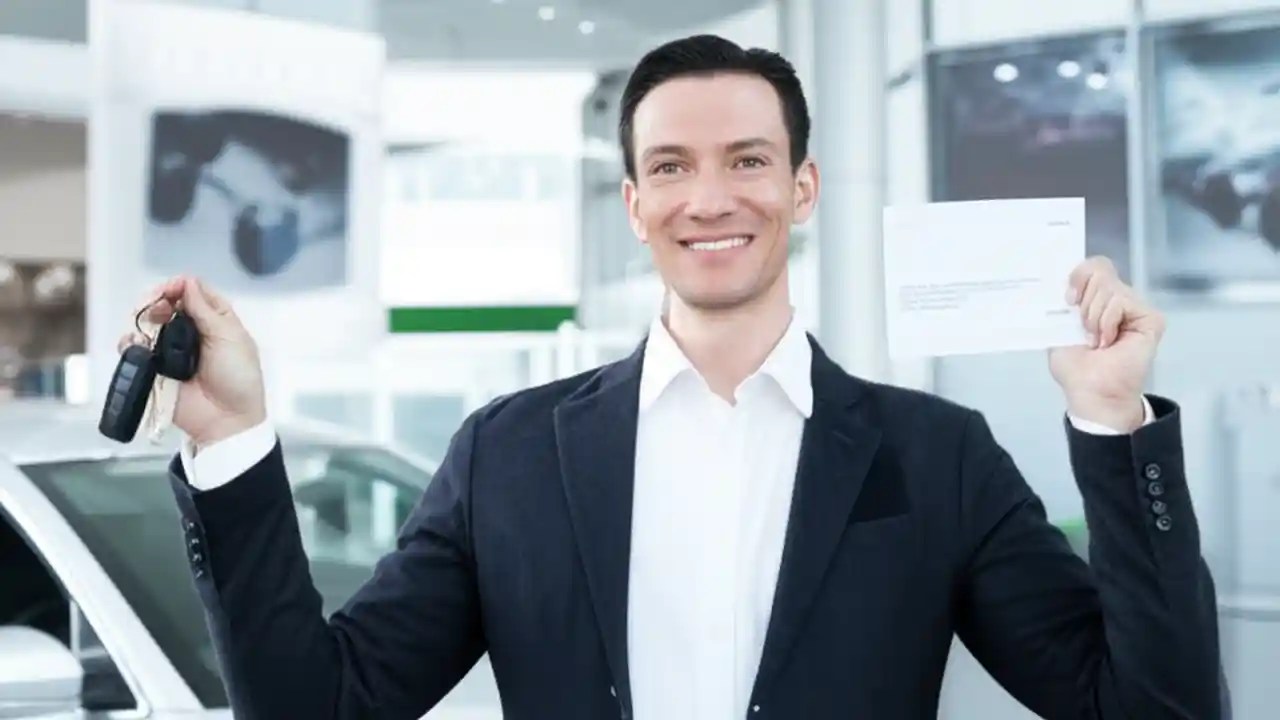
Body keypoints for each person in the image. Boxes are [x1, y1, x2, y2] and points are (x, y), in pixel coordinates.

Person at [124, 34, 1222, 720]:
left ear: (799, 190)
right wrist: (229, 443)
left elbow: (1151, 709)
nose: (709, 199)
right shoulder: (507, 455)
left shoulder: (934, 456)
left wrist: (1110, 418)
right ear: (634, 205)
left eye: (746, 160)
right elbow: (320, 707)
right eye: (669, 168)